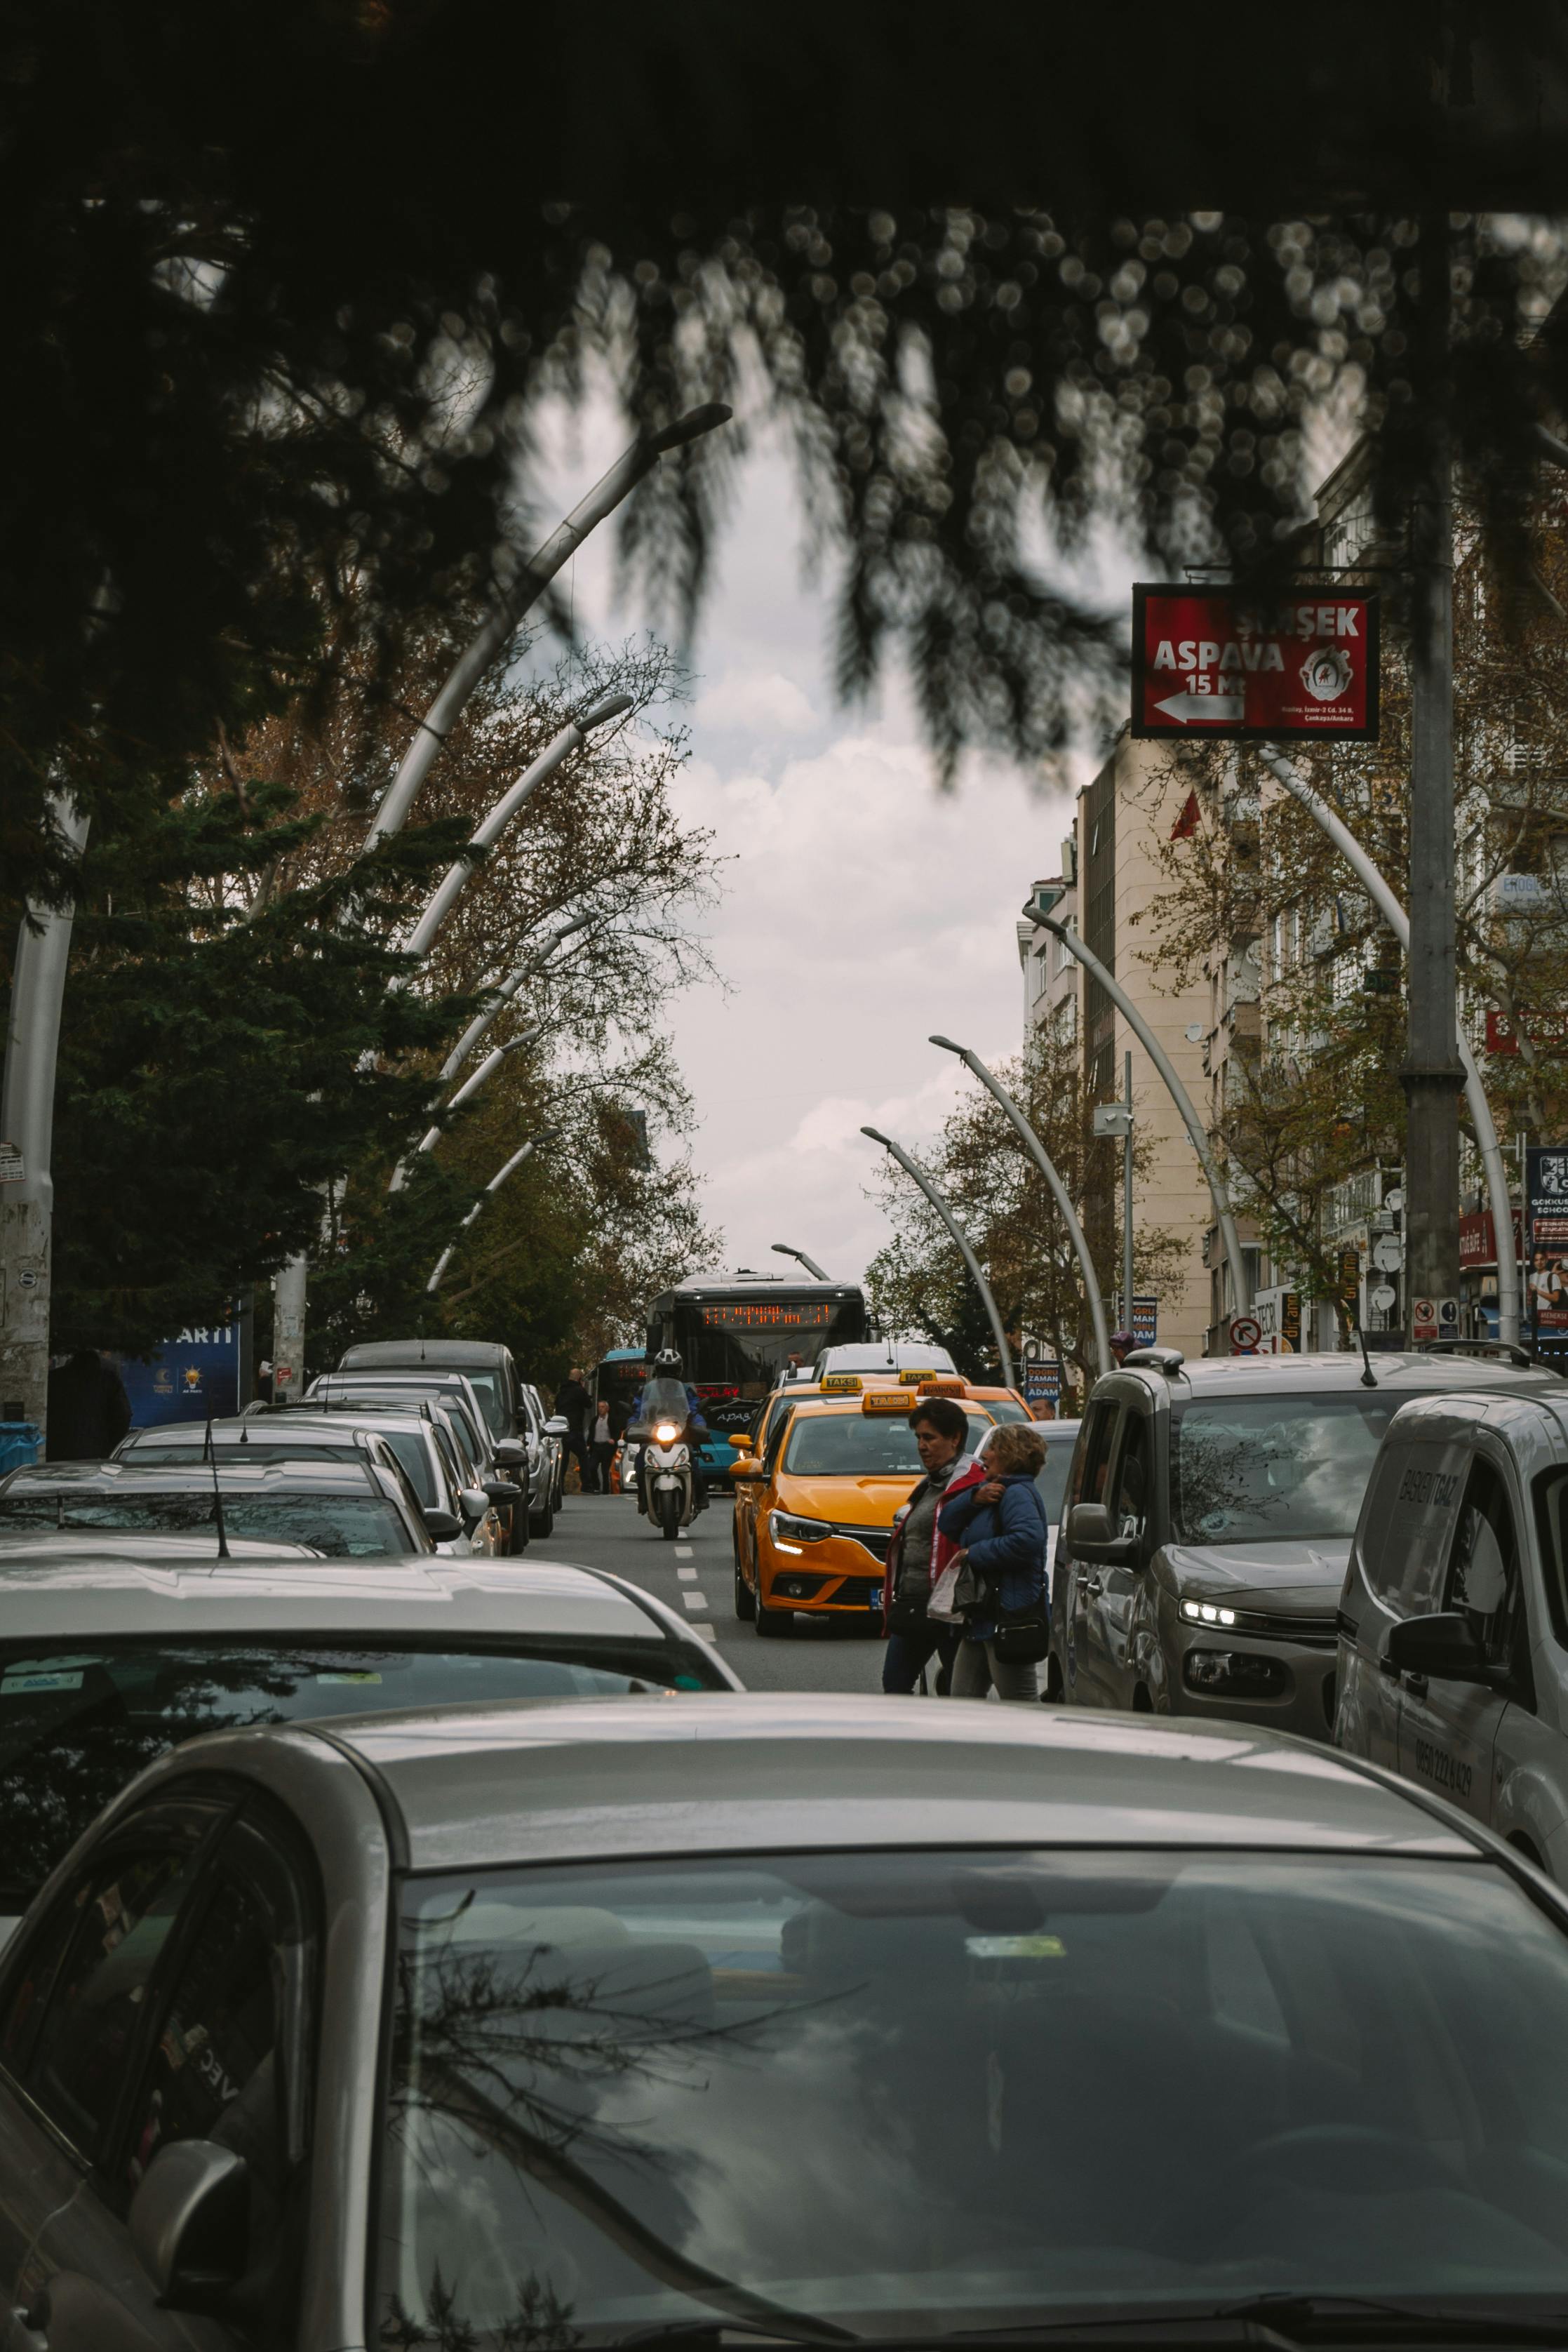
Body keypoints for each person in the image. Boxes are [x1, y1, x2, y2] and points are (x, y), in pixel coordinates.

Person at [939, 1422, 1050, 1702]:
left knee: (1021, 1704)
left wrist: (973, 1554)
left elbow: (1027, 1540)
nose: (984, 1456)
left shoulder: (1016, 1494)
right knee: (963, 1701)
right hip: (983, 1615)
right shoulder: (993, 1490)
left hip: (1007, 1617)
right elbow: (947, 1522)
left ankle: (1038, 1746)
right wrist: (974, 1499)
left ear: (1009, 1454)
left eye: (992, 1449)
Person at [879, 1396, 981, 1695]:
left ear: (955, 1438)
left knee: (960, 1692)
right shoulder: (931, 1483)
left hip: (951, 1609)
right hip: (914, 1605)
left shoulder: (972, 1483)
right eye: (918, 1438)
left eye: (929, 1438)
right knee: (895, 1684)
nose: (922, 1446)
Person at [46, 1347, 133, 1460]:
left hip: (57, 1450)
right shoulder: (108, 1380)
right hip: (96, 1451)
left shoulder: (54, 1378)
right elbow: (123, 1415)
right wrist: (111, 1444)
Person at [553, 1366, 593, 1488]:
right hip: (574, 1429)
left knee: (563, 1458)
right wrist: (583, 1388)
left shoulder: (561, 1392)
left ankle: (559, 1485)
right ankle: (586, 1485)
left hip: (561, 1429)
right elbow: (589, 1404)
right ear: (579, 1379)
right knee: (583, 1455)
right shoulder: (578, 1390)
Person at [589, 1398, 615, 1492]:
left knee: (605, 1470)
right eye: (599, 1407)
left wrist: (613, 1440)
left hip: (607, 1447)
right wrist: (589, 1445)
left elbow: (616, 1431)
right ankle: (596, 1487)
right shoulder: (595, 1420)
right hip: (596, 1447)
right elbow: (591, 1433)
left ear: (607, 1408)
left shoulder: (611, 1419)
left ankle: (606, 1490)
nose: (601, 1409)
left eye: (603, 1407)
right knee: (592, 1467)